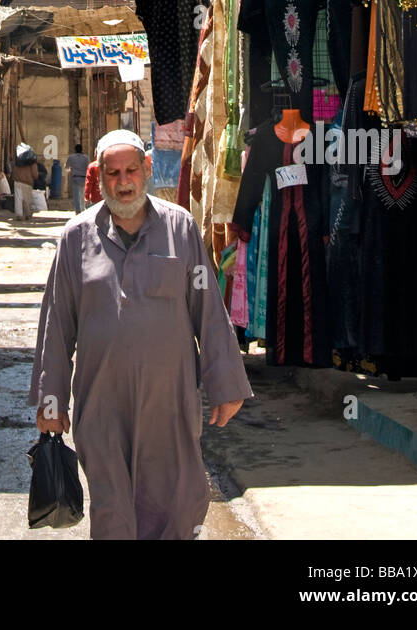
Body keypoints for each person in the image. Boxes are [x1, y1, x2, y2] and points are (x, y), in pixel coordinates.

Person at [31, 129, 252, 541]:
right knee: (114, 511)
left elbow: (208, 310)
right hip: (102, 402)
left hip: (170, 400)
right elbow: (57, 324)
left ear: (147, 169)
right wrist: (51, 400)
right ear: (99, 177)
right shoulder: (76, 236)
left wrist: (226, 384)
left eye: (132, 169)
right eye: (113, 173)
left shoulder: (180, 228)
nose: (124, 181)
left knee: (179, 504)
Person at [12, 143, 39, 220]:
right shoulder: (32, 162)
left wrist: (14, 177)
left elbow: (14, 171)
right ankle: (28, 214)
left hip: (18, 181)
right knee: (27, 200)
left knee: (18, 199)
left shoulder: (17, 161)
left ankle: (19, 214)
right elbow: (35, 174)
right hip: (28, 182)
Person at [65, 143, 89, 213]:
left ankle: (77, 210)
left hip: (75, 177)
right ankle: (83, 209)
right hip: (84, 178)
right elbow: (88, 167)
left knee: (76, 195)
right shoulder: (86, 158)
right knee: (83, 195)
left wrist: (70, 171)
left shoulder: (71, 157)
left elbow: (67, 167)